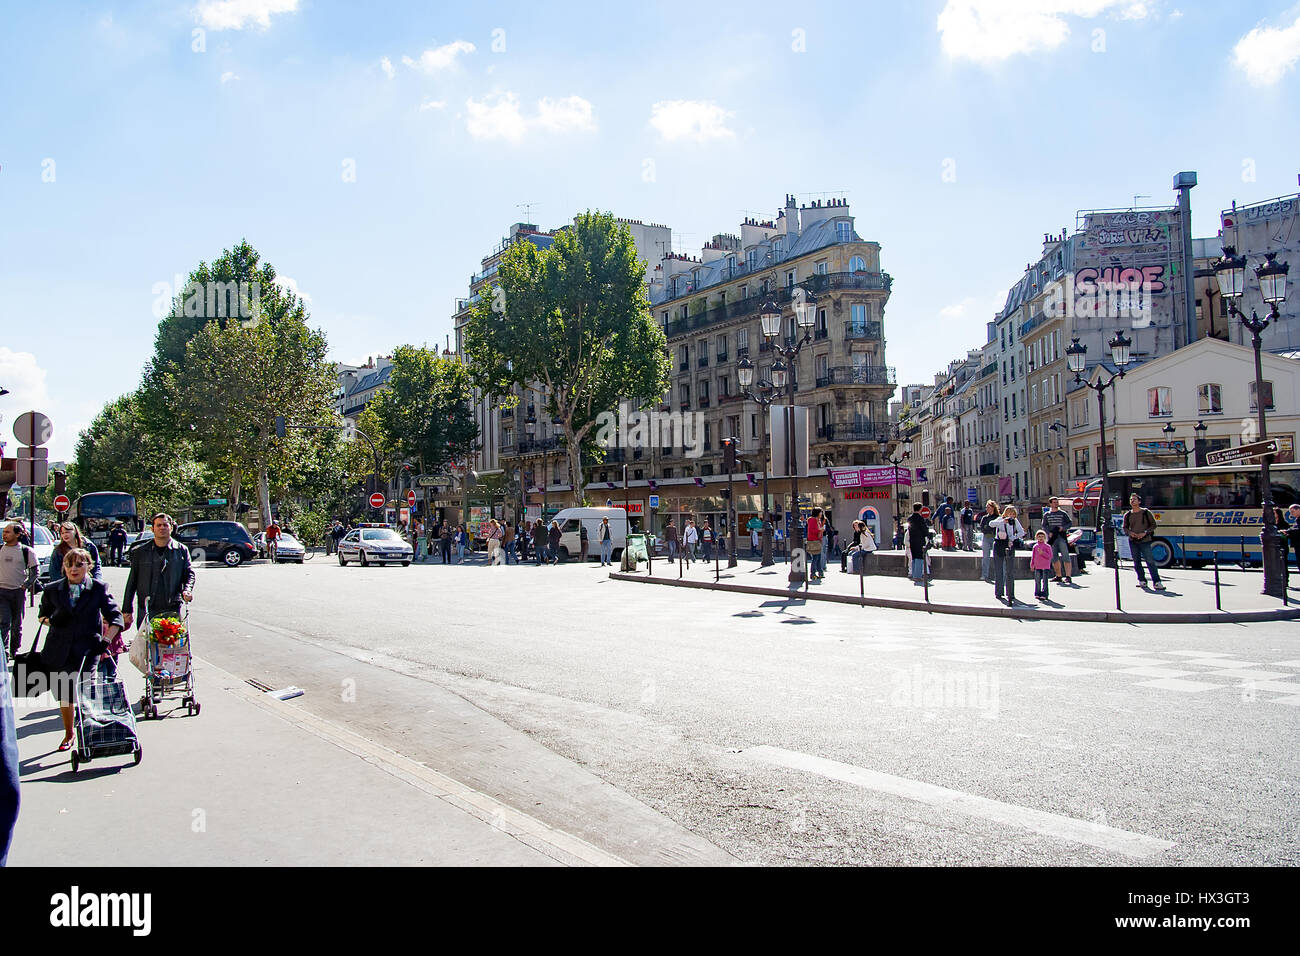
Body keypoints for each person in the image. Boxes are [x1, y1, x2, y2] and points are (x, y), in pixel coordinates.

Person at [38, 548, 126, 752]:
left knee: (87, 689)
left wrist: (106, 641)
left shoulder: (98, 588)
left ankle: (90, 731)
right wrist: (51, 621)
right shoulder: (52, 589)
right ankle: (68, 734)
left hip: (89, 647)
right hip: (60, 647)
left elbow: (116, 618)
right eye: (69, 564)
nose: (74, 568)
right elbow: (41, 616)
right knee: (65, 692)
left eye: (79, 564)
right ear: (63, 568)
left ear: (89, 566)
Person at [121, 513, 195, 630]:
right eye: (158, 525)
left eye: (165, 525)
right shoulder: (140, 552)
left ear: (171, 527)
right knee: (146, 644)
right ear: (152, 528)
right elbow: (132, 581)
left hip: (171, 607)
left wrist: (187, 590)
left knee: (171, 643)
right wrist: (126, 610)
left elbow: (189, 574)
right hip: (147, 608)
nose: (162, 528)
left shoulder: (181, 550)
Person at [1, 521, 41, 658]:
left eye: (8, 532)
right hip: (2, 592)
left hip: (18, 592)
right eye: (4, 532)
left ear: (17, 534)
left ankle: (14, 649)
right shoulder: (0, 549)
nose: (4, 534)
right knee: (4, 621)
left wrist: (26, 585)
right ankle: (4, 650)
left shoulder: (26, 551)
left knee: (17, 623)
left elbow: (35, 571)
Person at [1123, 494, 1164, 590]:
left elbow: (1153, 525)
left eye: (1134, 499)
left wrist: (1145, 533)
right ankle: (1142, 580)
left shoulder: (1146, 512)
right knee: (1136, 562)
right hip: (1133, 541)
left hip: (1145, 540)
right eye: (1131, 499)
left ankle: (1157, 582)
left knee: (1150, 561)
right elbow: (1124, 527)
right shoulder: (1128, 514)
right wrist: (1130, 533)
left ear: (1139, 501)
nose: (1132, 501)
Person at [989, 505, 1026, 605]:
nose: (1011, 516)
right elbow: (991, 524)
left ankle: (1011, 593)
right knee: (998, 569)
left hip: (1009, 544)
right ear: (1006, 513)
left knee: (1010, 570)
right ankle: (999, 592)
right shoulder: (1000, 519)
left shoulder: (1015, 521)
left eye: (1013, 514)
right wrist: (1002, 521)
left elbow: (1022, 532)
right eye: (1010, 513)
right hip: (999, 544)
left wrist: (1013, 537)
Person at [1040, 496, 1073, 585]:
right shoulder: (1047, 515)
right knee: (1054, 557)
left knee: (1065, 556)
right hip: (1052, 537)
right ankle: (1058, 576)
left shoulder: (1063, 513)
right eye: (1054, 502)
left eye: (1057, 502)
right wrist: (1048, 532)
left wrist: (1063, 528)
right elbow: (1044, 525)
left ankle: (1068, 576)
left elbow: (1070, 523)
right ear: (1050, 504)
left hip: (1061, 536)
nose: (1056, 504)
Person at [905, 504, 931, 584]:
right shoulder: (920, 518)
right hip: (919, 540)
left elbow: (909, 529)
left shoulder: (910, 518)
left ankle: (914, 574)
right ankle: (918, 576)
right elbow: (924, 529)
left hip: (912, 540)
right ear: (920, 509)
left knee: (914, 558)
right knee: (919, 558)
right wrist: (927, 535)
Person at [978, 500, 999, 583]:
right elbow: (982, 528)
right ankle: (984, 575)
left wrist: (988, 527)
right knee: (985, 557)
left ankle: (997, 575)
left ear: (993, 508)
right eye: (986, 507)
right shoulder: (984, 518)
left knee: (996, 557)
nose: (987, 509)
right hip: (986, 538)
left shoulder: (997, 517)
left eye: (988, 507)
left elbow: (997, 527)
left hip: (995, 538)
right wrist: (988, 528)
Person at [1031, 529, 1053, 600]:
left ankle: (1045, 594)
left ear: (1045, 538)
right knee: (1037, 580)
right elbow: (1033, 557)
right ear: (1036, 537)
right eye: (1039, 536)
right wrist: (1032, 565)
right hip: (1037, 566)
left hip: (1045, 566)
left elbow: (1050, 556)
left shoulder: (1047, 546)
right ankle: (1037, 593)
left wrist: (1043, 553)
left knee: (1045, 581)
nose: (1041, 538)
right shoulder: (1035, 546)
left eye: (1042, 536)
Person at [805, 510, 824, 580]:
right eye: (820, 512)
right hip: (813, 541)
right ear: (817, 513)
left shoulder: (818, 520)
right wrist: (820, 530)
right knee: (815, 558)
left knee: (818, 558)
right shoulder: (812, 520)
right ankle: (813, 573)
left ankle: (820, 572)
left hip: (817, 541)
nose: (821, 514)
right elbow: (812, 530)